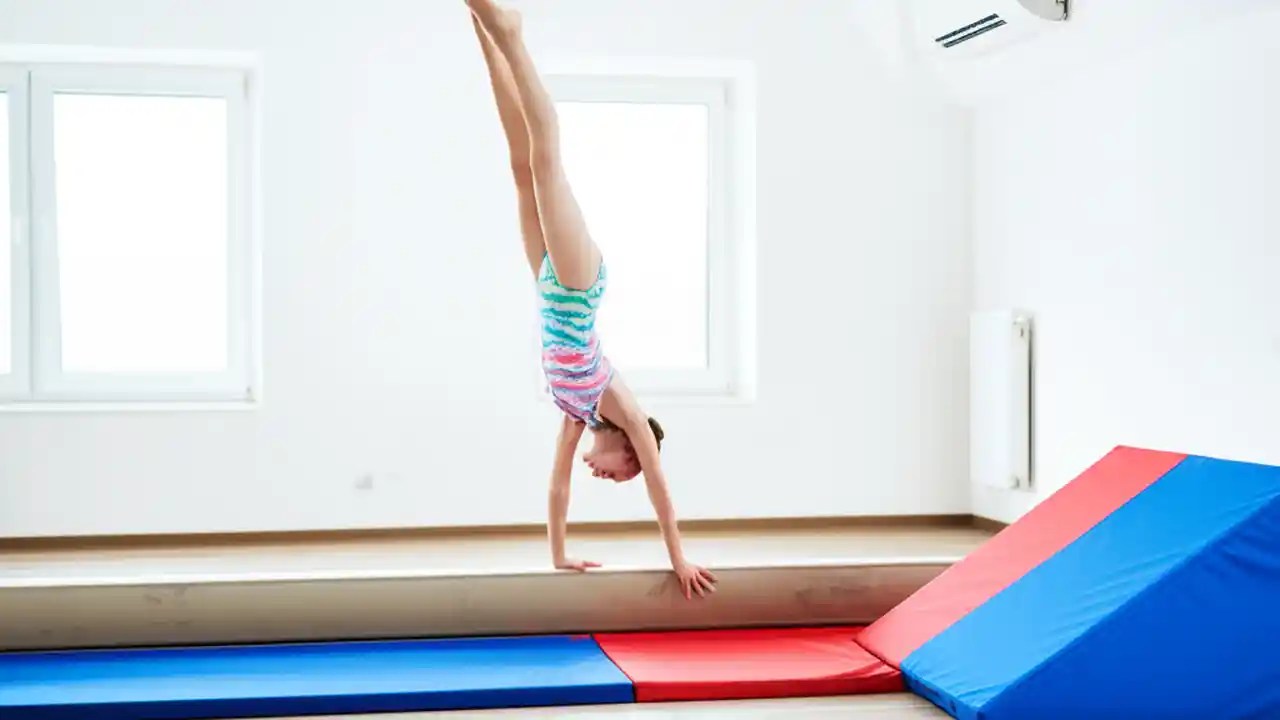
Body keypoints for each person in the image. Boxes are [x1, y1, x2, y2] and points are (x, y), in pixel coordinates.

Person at [466, 0, 716, 600]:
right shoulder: (622, 406)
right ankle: (512, 34)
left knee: (521, 167)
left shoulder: (576, 411)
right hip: (578, 286)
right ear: (634, 450)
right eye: (622, 474)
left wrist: (559, 556)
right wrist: (678, 557)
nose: (610, 479)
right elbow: (661, 488)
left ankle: (484, 31)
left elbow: (558, 486)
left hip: (547, 285)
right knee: (546, 162)